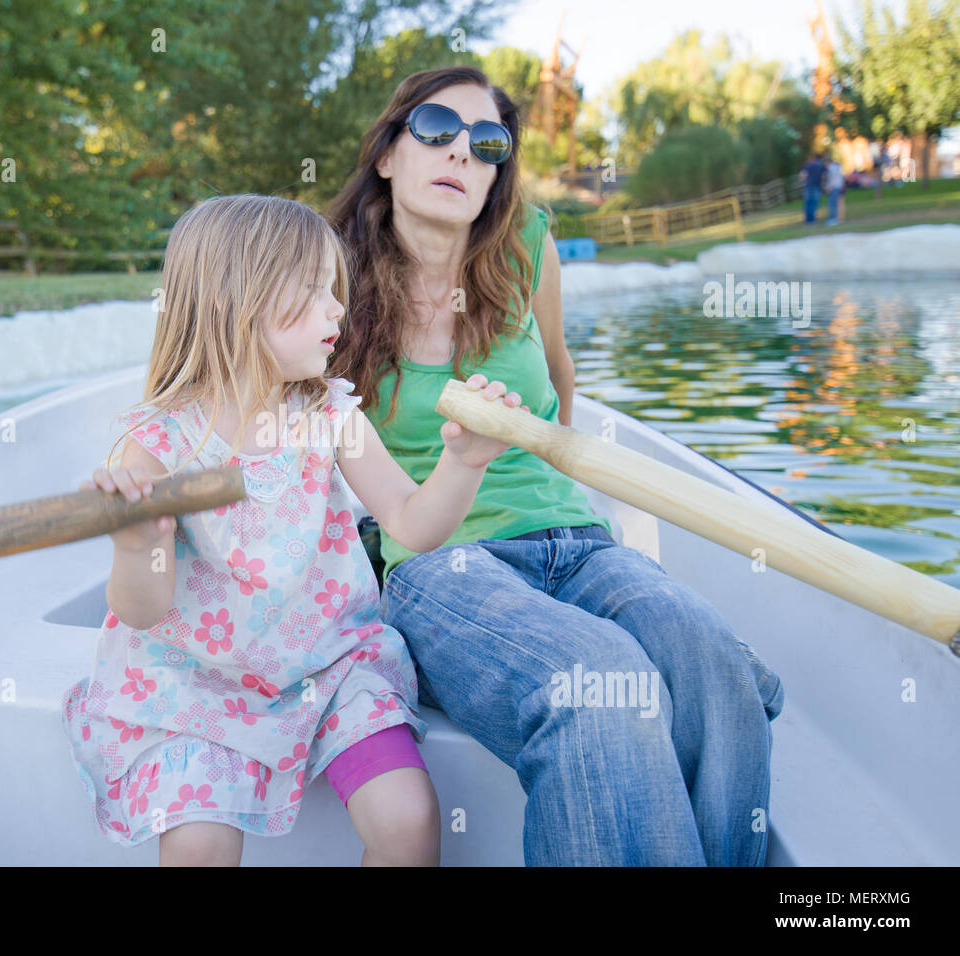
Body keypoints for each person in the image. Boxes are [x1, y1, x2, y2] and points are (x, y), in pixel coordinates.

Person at [325, 66, 784, 866]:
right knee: (598, 680)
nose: (462, 152)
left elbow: (561, 372)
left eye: (488, 143)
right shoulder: (328, 273)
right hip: (441, 560)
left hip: (575, 539)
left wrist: (554, 476)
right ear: (389, 153)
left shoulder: (527, 241)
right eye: (436, 128)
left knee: (711, 661)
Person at [60, 193, 521, 866]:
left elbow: (411, 524)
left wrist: (464, 462)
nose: (337, 308)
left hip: (332, 665)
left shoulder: (330, 414)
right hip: (196, 686)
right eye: (312, 291)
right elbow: (142, 608)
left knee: (408, 819)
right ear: (235, 302)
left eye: (332, 290)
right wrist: (137, 543)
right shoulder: (158, 445)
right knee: (197, 849)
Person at [801, 152, 826, 223]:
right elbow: (823, 176)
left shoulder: (807, 165)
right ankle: (813, 219)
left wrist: (805, 181)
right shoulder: (821, 165)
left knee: (808, 203)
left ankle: (808, 220)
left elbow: (803, 176)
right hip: (816, 186)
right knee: (815, 203)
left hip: (808, 186)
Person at [824, 156, 845, 225]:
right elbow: (841, 177)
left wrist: (829, 187)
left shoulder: (831, 168)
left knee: (832, 203)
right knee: (838, 203)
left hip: (833, 187)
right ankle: (839, 218)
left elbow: (832, 178)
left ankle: (833, 218)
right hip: (839, 186)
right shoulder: (838, 167)